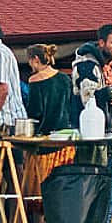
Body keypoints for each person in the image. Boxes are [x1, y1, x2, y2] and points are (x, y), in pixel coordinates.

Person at [21, 43, 76, 203]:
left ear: (35, 59)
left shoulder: (35, 80)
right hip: (66, 142)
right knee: (62, 191)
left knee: (38, 194)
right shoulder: (65, 78)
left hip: (44, 144)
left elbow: (34, 112)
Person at [69, 23, 112, 131]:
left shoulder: (106, 66)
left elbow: (104, 97)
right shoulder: (86, 65)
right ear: (101, 43)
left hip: (102, 128)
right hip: (87, 130)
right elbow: (89, 100)